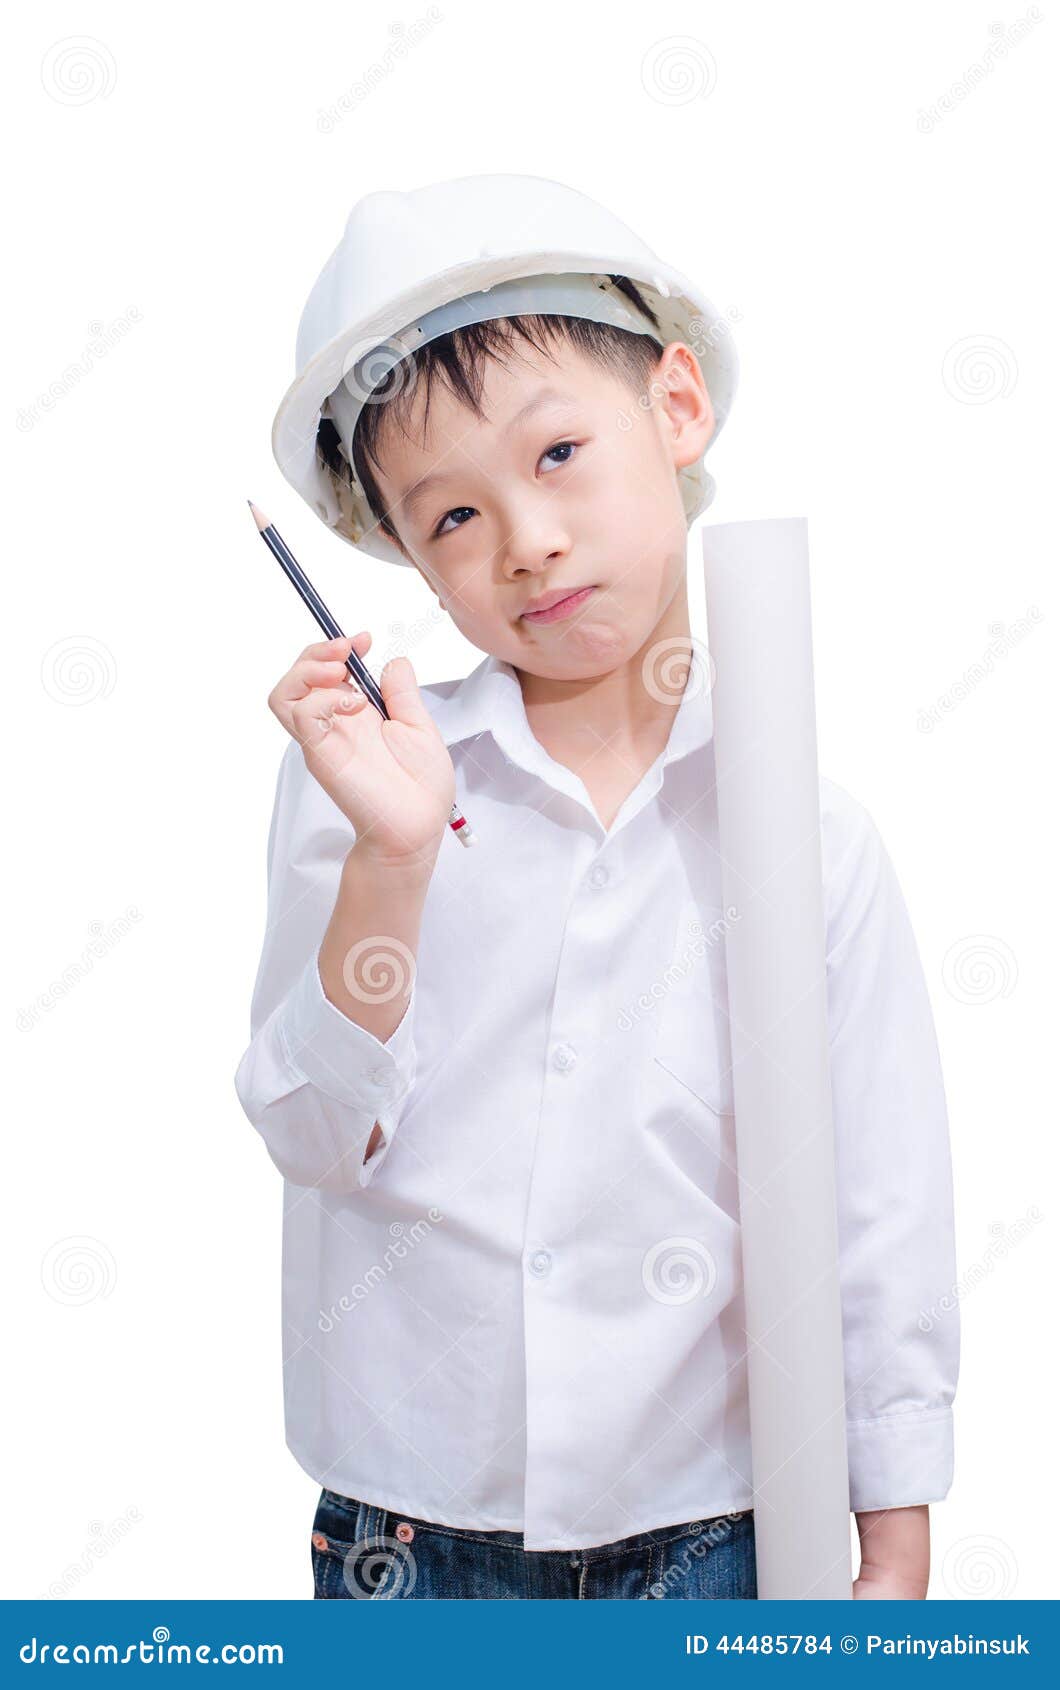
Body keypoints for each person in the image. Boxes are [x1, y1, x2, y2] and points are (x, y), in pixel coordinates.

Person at [234, 176, 959, 1601]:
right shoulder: (369, 785)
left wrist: (898, 1513)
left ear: (676, 408)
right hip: (412, 1538)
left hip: (717, 1531)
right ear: (398, 552)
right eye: (448, 517)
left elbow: (879, 1193)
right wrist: (393, 859)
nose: (524, 540)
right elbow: (317, 1135)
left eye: (559, 450)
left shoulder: (808, 835)